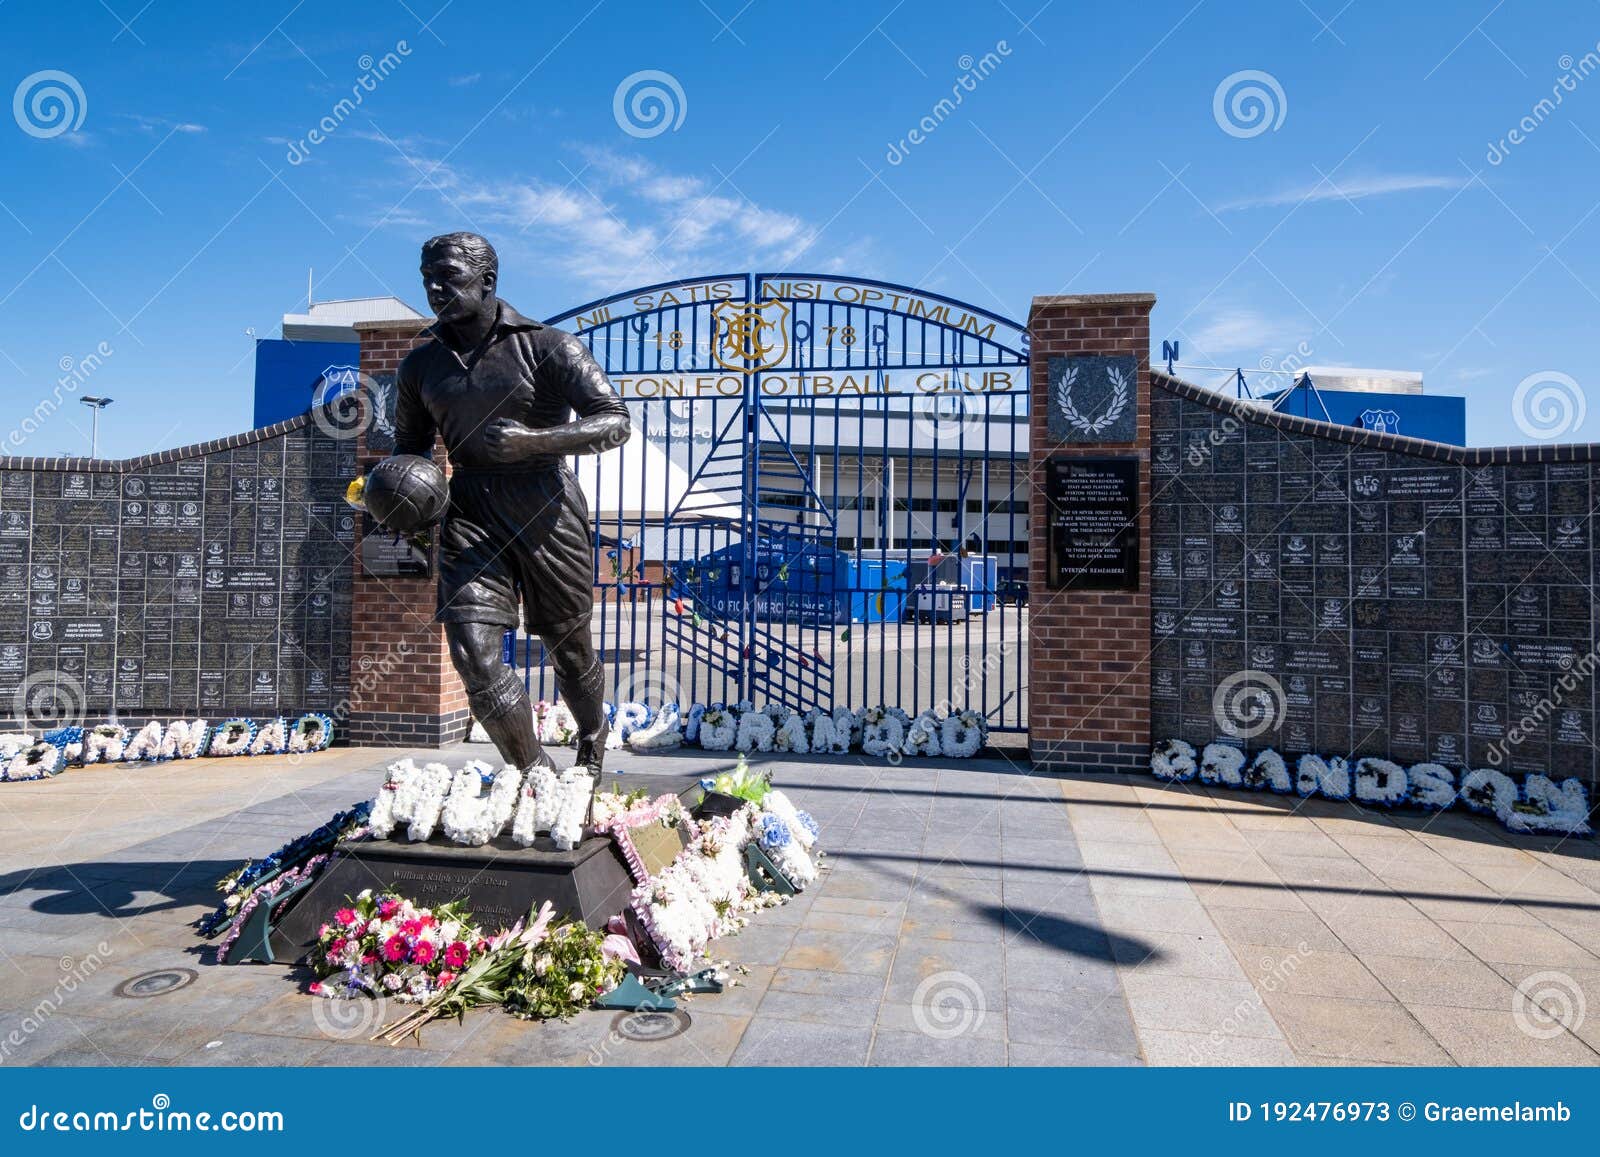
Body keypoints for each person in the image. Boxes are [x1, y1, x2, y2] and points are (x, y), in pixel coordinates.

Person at [389, 231, 630, 813]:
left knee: (568, 649)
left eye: (447, 276)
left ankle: (592, 738)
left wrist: (535, 441)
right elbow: (411, 448)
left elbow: (614, 421)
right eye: (428, 279)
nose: (435, 289)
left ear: (487, 282)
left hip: (545, 505)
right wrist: (398, 496)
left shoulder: (548, 346)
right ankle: (539, 778)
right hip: (469, 511)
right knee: (474, 654)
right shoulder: (420, 364)